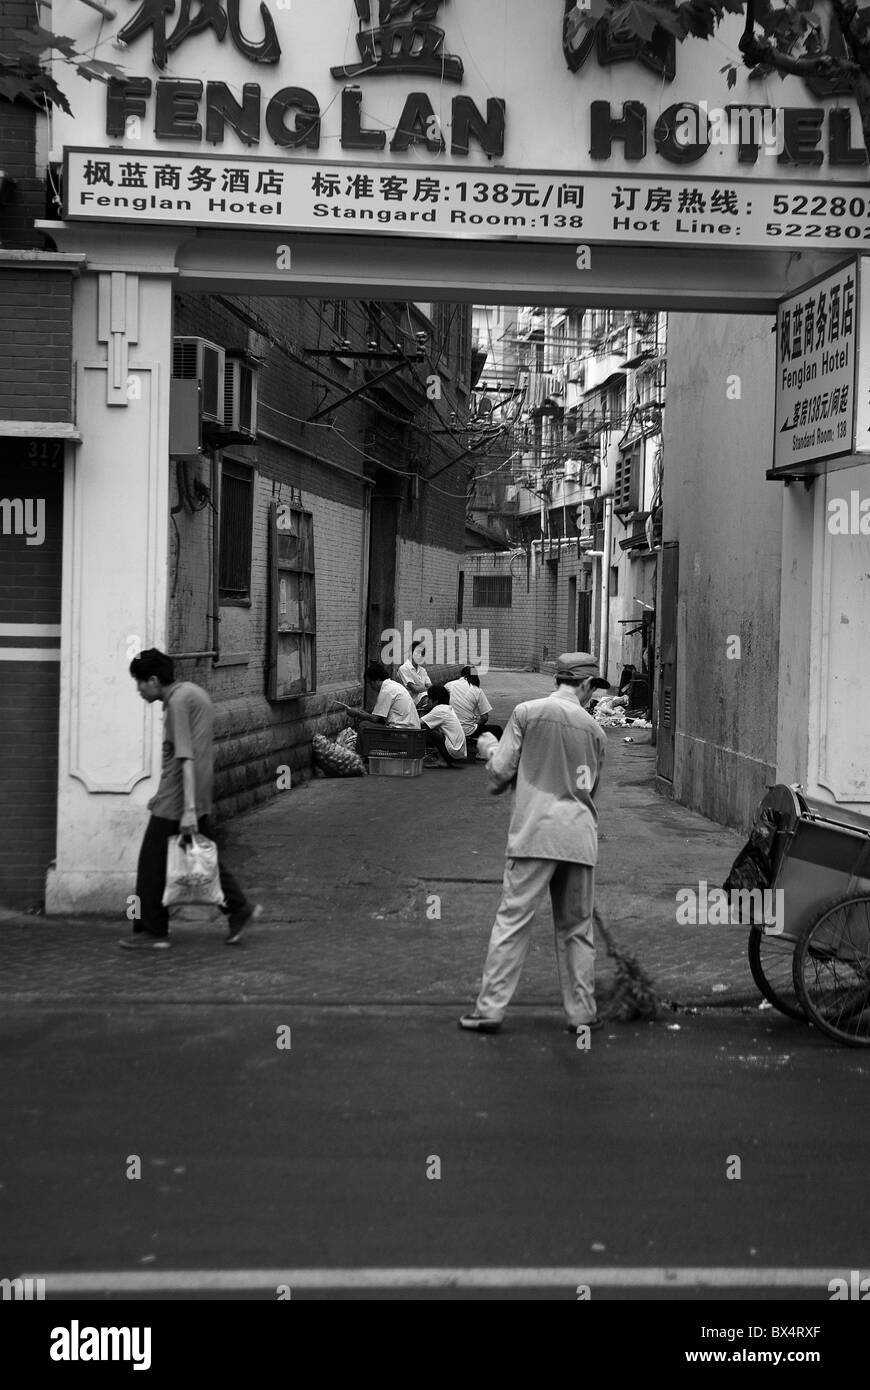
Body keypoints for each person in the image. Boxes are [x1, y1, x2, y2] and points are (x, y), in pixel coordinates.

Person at [459, 652, 607, 1035]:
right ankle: (582, 1015)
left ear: (559, 679)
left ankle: (490, 1010)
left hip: (535, 836)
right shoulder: (595, 731)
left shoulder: (526, 713)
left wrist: (488, 748)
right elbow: (591, 791)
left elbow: (500, 774)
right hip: (578, 839)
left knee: (512, 923)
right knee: (577, 930)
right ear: (586, 686)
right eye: (594, 689)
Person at [122, 648, 261, 950]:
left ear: (154, 680)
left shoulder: (177, 703)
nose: (139, 690)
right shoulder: (192, 692)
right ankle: (239, 909)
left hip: (178, 799)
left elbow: (184, 757)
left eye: (140, 683)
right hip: (194, 792)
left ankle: (153, 930)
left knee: (151, 864)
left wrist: (187, 810)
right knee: (203, 860)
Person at [336, 660, 421, 732]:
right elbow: (380, 715)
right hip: (409, 729)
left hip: (403, 731)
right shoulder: (394, 686)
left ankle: (360, 751)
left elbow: (375, 719)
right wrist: (363, 713)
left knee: (364, 725)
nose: (370, 687)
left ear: (377, 680)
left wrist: (357, 713)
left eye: (370, 683)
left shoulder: (387, 690)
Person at [445, 666, 503, 741]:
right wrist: (474, 723)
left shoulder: (448, 685)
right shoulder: (477, 690)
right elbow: (484, 718)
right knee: (497, 729)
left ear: (462, 675)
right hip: (467, 731)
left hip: (450, 729)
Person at [420, 683, 468, 767]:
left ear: (435, 700)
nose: (427, 701)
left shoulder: (439, 710)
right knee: (433, 728)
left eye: (429, 699)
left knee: (425, 728)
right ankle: (440, 757)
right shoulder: (447, 708)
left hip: (453, 751)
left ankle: (442, 760)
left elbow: (418, 723)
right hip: (458, 752)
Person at [397, 639, 432, 712]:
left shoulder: (422, 670)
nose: (420, 656)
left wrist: (422, 688)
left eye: (422, 654)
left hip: (423, 699)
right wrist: (425, 688)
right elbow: (414, 689)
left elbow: (431, 687)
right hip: (408, 702)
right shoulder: (404, 668)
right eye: (417, 652)